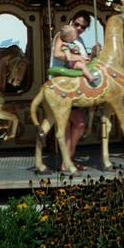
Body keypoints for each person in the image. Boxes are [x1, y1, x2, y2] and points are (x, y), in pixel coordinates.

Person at [51, 10, 93, 170]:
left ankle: (67, 161)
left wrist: (91, 55)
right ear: (71, 21)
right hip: (63, 85)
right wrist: (77, 58)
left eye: (83, 27)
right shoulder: (61, 36)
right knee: (80, 123)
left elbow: (82, 58)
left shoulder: (79, 40)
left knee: (70, 125)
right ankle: (67, 161)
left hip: (74, 85)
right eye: (77, 24)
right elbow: (57, 53)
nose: (79, 28)